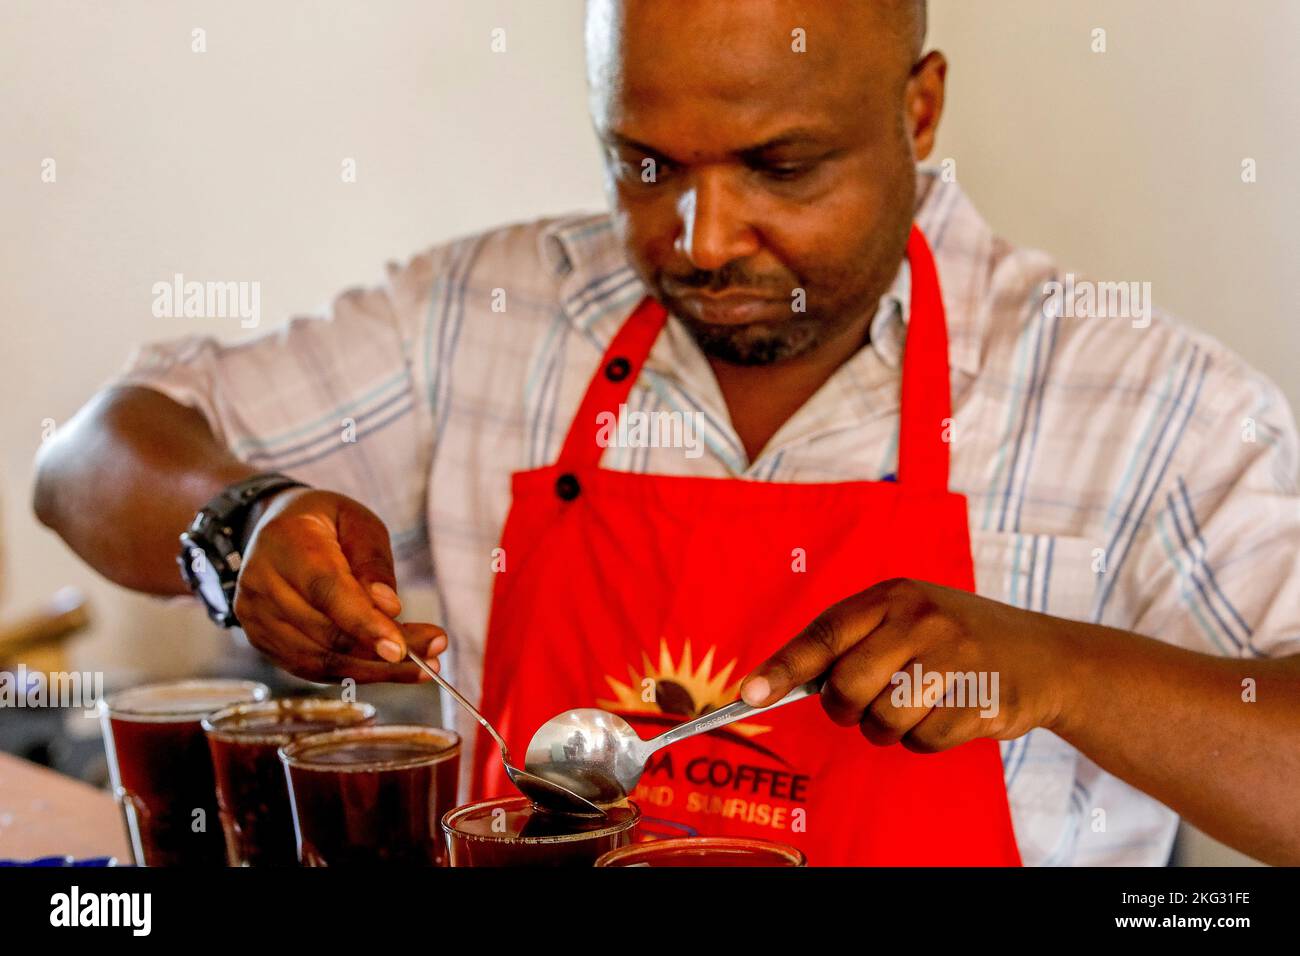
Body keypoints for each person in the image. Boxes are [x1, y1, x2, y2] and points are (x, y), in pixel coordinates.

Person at [34, 0, 1300, 865]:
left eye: (781, 166)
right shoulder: (484, 316)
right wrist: (237, 521)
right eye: (644, 164)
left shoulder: (1143, 401)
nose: (698, 241)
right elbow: (89, 454)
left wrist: (1069, 669)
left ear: (918, 113)